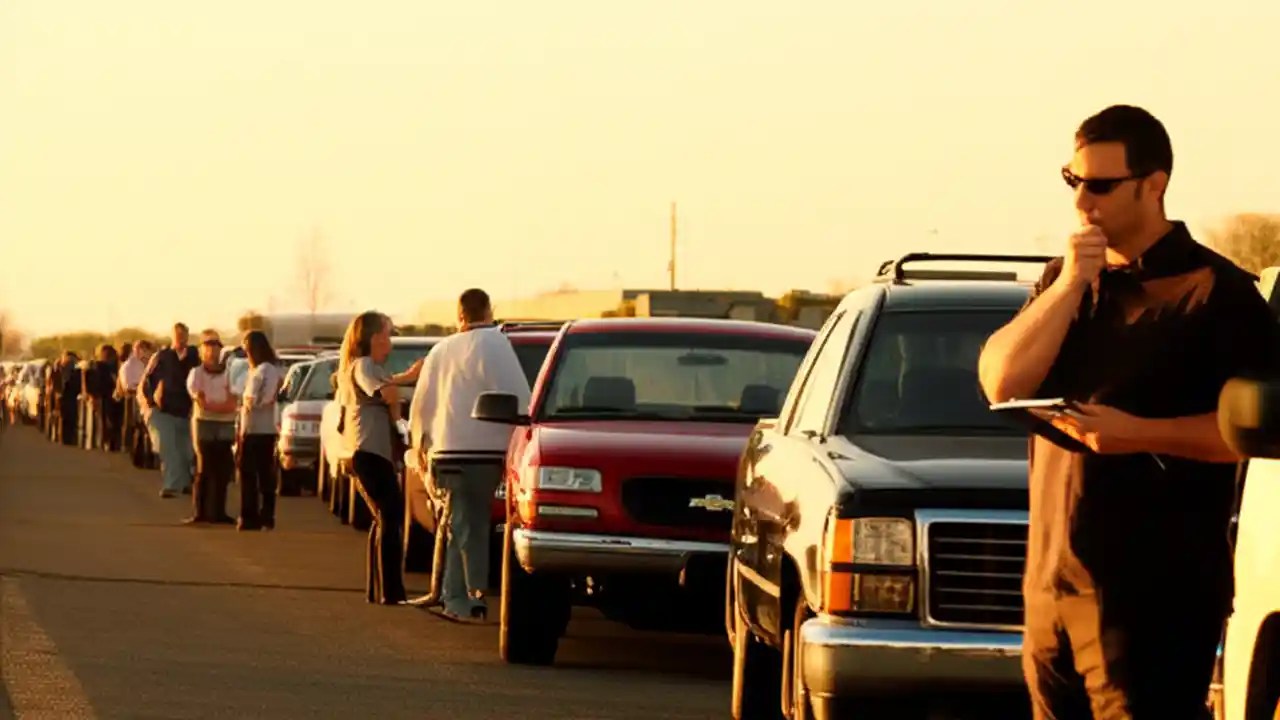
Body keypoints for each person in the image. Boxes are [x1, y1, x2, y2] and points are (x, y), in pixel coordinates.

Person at [978, 105, 1280, 719]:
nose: (1083, 203)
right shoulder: (1066, 284)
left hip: (1154, 603)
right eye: (1074, 182)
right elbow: (1000, 380)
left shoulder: (1215, 294)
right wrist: (1067, 287)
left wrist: (1139, 435)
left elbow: (1256, 432)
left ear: (1154, 184)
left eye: (1101, 185)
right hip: (1052, 590)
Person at [407, 288, 531, 622]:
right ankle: (469, 601)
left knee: (460, 523)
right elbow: (520, 399)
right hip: (481, 453)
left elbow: (421, 405)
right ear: (490, 310)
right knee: (470, 525)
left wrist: (419, 447)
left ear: (459, 315)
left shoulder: (440, 349)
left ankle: (453, 597)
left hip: (442, 453)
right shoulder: (495, 342)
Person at [336, 311, 421, 604]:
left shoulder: (367, 367)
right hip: (369, 452)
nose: (391, 342)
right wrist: (400, 407)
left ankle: (379, 589)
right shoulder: (365, 365)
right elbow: (387, 393)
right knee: (391, 515)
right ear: (375, 338)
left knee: (384, 518)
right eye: (388, 334)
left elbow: (389, 386)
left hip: (373, 452)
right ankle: (391, 591)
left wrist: (407, 378)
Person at [141, 323, 201, 498]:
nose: (180, 338)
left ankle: (184, 484)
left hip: (186, 410)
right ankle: (171, 485)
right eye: (177, 334)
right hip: (164, 410)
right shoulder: (161, 357)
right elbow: (147, 380)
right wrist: (152, 399)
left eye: (183, 334)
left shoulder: (194, 357)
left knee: (186, 451)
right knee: (169, 450)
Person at [184, 330, 238, 525]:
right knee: (204, 467)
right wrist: (222, 405)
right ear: (201, 350)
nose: (212, 351)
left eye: (216, 346)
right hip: (204, 423)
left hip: (225, 424)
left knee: (222, 469)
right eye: (208, 346)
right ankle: (200, 512)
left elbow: (232, 402)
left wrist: (221, 406)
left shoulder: (229, 373)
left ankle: (219, 512)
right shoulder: (196, 374)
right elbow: (202, 402)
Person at [237, 330, 283, 531]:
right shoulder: (253, 371)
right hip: (249, 428)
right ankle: (250, 515)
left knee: (263, 474)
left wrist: (251, 401)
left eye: (248, 347)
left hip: (263, 430)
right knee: (247, 474)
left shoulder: (267, 370)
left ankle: (265, 514)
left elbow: (266, 398)